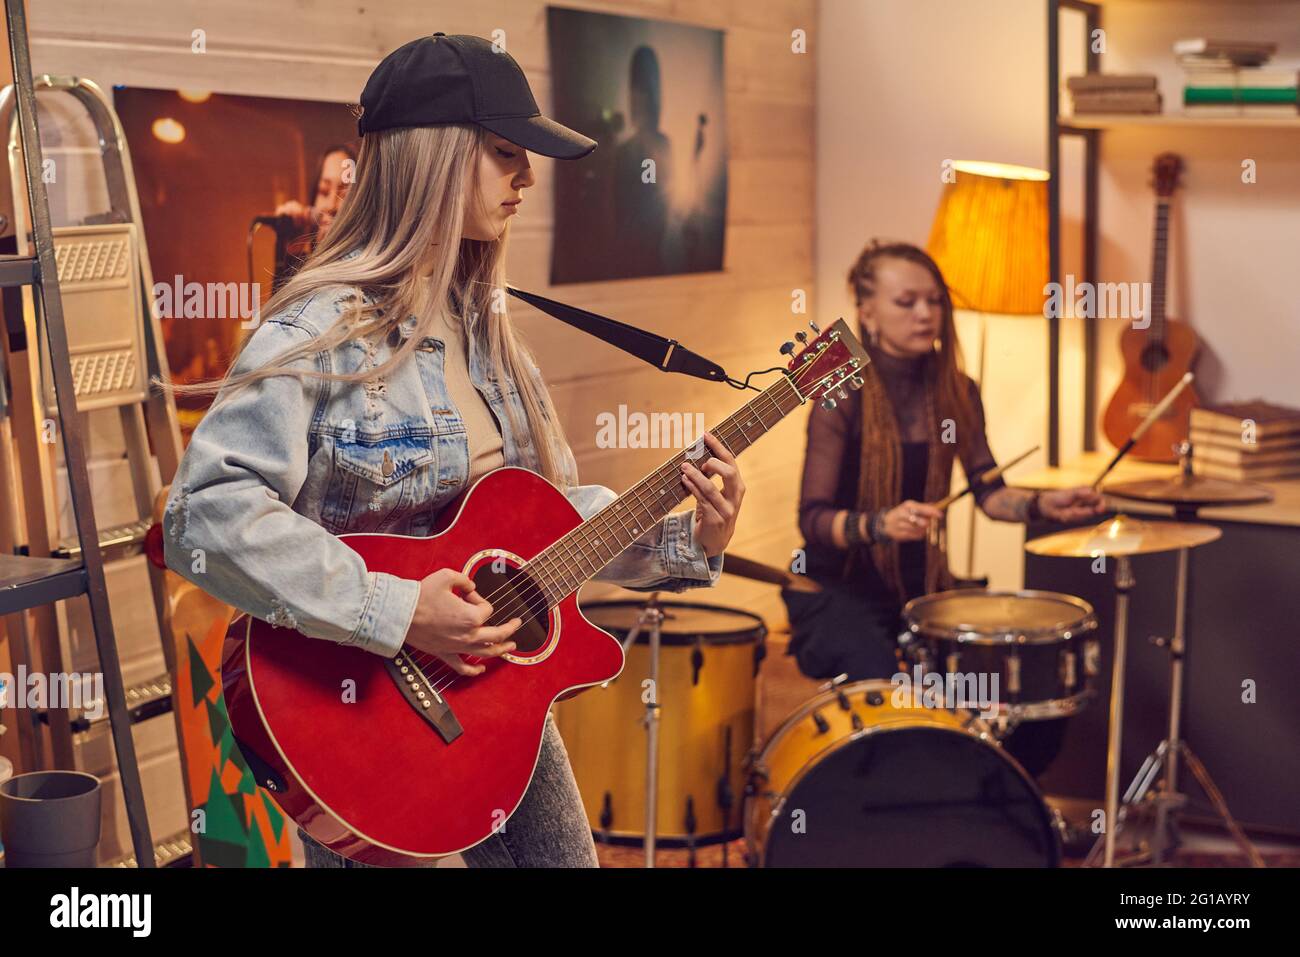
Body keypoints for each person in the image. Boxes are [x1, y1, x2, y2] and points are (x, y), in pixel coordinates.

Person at [161, 33, 744, 868]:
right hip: (353, 719)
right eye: (506, 153)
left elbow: (542, 527)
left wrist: (691, 541)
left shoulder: (490, 336)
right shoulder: (314, 332)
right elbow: (204, 516)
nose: (528, 178)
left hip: (494, 703)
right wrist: (398, 611)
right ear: (431, 160)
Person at [783, 240, 1103, 682]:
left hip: (922, 582)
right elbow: (812, 519)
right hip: (839, 585)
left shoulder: (958, 391)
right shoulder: (841, 393)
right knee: (878, 677)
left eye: (934, 301)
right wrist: (879, 525)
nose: (925, 314)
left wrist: (1041, 506)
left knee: (1001, 675)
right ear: (868, 312)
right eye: (906, 301)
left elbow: (989, 491)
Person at [269, 142, 357, 290]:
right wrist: (291, 255)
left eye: (344, 194)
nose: (330, 205)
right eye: (323, 191)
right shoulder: (305, 267)